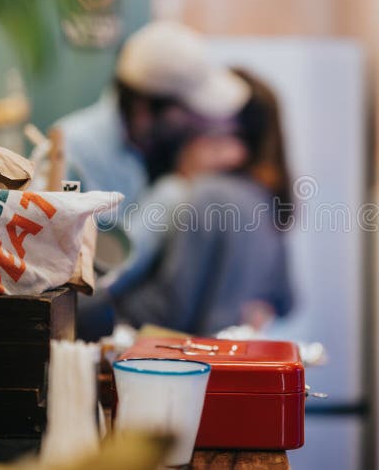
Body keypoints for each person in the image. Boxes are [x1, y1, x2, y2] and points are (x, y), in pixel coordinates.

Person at [57, 21, 250, 339]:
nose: (195, 126)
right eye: (187, 114)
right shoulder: (71, 151)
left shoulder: (151, 146)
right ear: (144, 109)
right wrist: (176, 188)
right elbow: (86, 278)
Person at [110, 68, 294, 335]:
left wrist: (106, 310)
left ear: (227, 139)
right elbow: (285, 299)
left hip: (184, 353)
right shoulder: (263, 197)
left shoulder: (205, 195)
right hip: (229, 353)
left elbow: (172, 306)